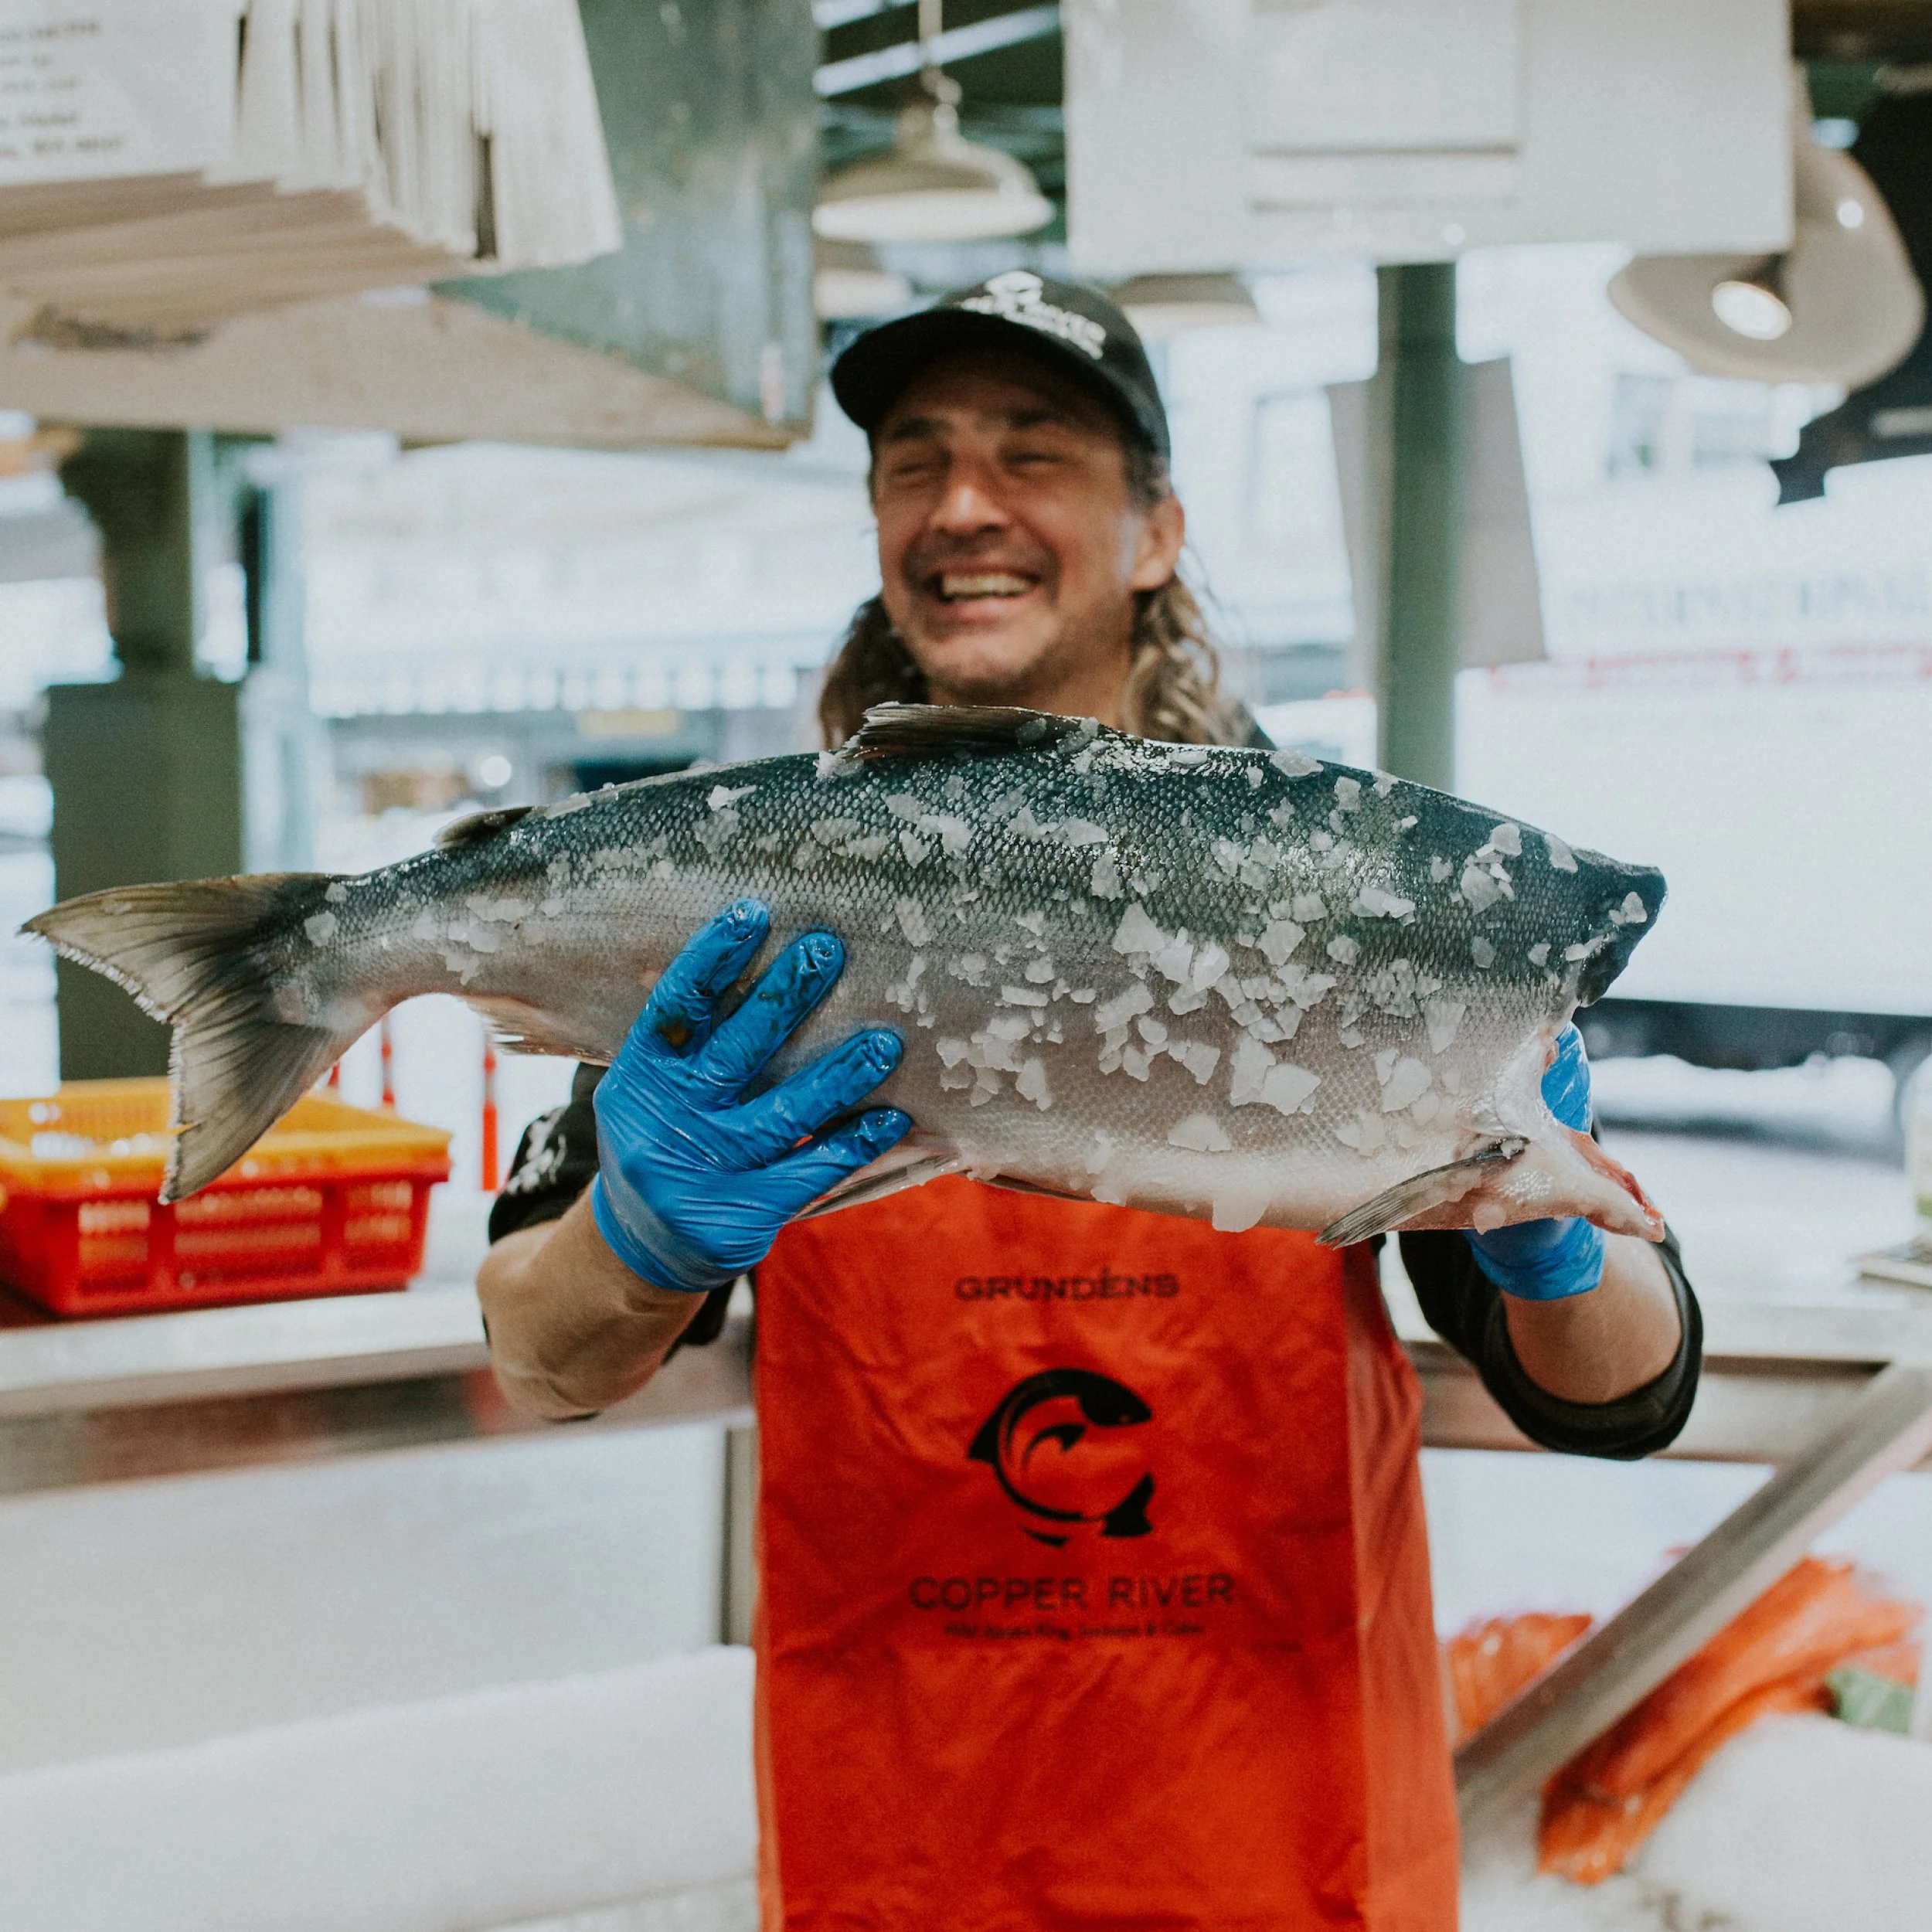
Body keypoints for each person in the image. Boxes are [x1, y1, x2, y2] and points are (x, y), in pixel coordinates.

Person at [478, 274, 1702, 1930]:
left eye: (1030, 452)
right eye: (915, 461)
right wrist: (632, 1234)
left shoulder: (1330, 900)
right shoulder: (746, 910)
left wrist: (1553, 1244)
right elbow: (542, 1355)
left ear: (1151, 533)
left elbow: (1617, 1391)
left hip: (1283, 1845)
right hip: (903, 1849)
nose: (961, 505)